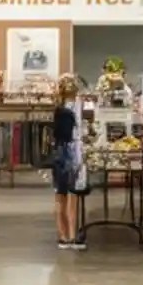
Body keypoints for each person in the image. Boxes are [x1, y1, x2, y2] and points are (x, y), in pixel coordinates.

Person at [51, 80, 84, 250]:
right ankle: (71, 234)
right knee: (72, 196)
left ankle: (63, 235)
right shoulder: (72, 110)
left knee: (60, 196)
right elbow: (73, 135)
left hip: (60, 153)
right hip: (70, 153)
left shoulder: (59, 110)